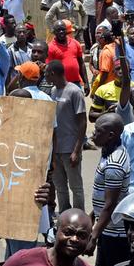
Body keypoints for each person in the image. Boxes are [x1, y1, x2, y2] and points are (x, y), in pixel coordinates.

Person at [87, 113, 130, 266]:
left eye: (98, 131)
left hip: (114, 233)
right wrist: (93, 214)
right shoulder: (109, 152)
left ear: (110, 135)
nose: (93, 134)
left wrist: (93, 237)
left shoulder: (114, 164)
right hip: (107, 228)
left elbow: (110, 204)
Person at [47, 59, 86, 212]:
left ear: (53, 73)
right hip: (56, 149)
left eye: (46, 74)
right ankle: (64, 215)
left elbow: (82, 122)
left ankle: (78, 216)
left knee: (76, 187)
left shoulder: (74, 91)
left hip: (70, 149)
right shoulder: (53, 91)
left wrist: (77, 150)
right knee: (60, 187)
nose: (45, 77)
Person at [47, 20, 88, 92]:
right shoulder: (50, 47)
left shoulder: (75, 43)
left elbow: (81, 63)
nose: (61, 32)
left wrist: (86, 82)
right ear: (54, 32)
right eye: (58, 30)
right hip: (60, 86)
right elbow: (49, 68)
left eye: (63, 29)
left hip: (76, 83)